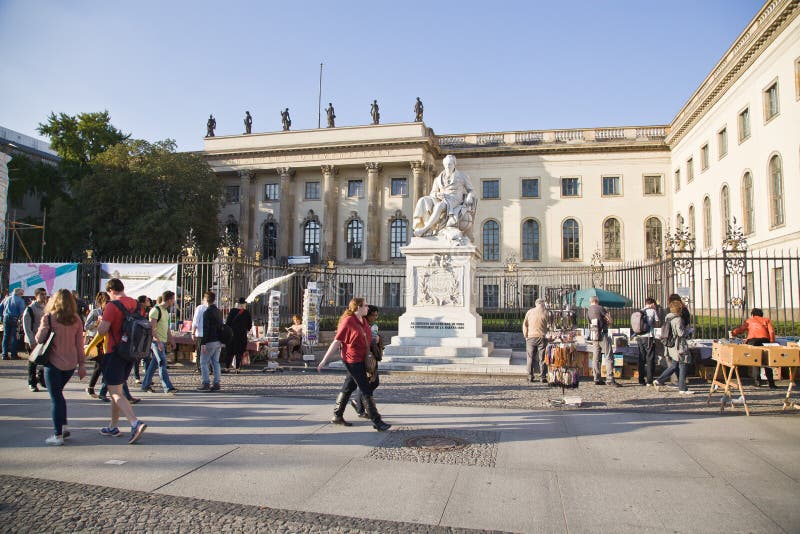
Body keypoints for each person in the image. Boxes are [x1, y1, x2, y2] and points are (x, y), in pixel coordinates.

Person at [318, 298, 390, 431]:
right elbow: (337, 342)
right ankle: (377, 421)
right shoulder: (348, 321)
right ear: (358, 307)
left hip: (362, 359)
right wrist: (324, 360)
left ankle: (337, 415)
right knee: (365, 388)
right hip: (352, 360)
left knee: (348, 387)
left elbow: (366, 338)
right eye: (365, 305)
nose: (368, 307)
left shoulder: (363, 321)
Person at [96, 278, 147, 444]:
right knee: (115, 390)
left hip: (115, 351)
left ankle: (135, 423)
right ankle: (113, 426)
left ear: (110, 291)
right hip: (131, 352)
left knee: (116, 393)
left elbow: (103, 331)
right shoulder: (136, 304)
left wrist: (100, 323)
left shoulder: (112, 306)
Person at [35, 289, 86, 445]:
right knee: (59, 395)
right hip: (70, 363)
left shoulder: (49, 318)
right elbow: (79, 344)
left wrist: (42, 327)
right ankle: (63, 426)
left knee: (55, 397)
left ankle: (58, 434)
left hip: (53, 362)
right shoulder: (76, 319)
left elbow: (39, 339)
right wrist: (82, 365)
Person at [413, 155, 478, 240]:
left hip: (454, 199)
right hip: (440, 198)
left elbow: (472, 190)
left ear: (454, 164)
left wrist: (469, 196)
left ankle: (424, 229)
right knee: (423, 200)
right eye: (446, 164)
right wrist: (437, 195)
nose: (448, 166)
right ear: (444, 165)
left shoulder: (462, 176)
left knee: (440, 206)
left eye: (450, 164)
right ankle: (423, 227)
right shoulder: (438, 179)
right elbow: (433, 192)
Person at [653, 300, 693, 394]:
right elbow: (681, 333)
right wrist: (688, 331)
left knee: (674, 365)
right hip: (679, 345)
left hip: (671, 346)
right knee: (682, 365)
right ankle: (682, 388)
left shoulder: (668, 318)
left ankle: (659, 380)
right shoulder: (678, 319)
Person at [732, 308, 778, 389]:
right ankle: (771, 383)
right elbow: (771, 332)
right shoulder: (766, 320)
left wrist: (734, 332)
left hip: (753, 341)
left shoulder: (749, 320)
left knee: (756, 361)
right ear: (761, 314)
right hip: (765, 341)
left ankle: (757, 382)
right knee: (767, 362)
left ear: (752, 314)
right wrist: (772, 342)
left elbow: (741, 329)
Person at [142, 290, 178, 394]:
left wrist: (171, 340)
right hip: (156, 342)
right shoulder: (155, 310)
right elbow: (152, 329)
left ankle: (145, 385)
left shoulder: (165, 312)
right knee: (162, 363)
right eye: (173, 299)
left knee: (154, 364)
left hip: (162, 341)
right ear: (169, 299)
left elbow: (166, 329)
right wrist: (158, 342)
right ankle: (168, 387)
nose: (174, 302)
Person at [350, 305, 382, 417]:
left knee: (373, 382)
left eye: (376, 315)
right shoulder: (363, 325)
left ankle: (359, 403)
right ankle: (360, 407)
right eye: (373, 315)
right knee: (365, 384)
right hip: (363, 357)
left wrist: (378, 338)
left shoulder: (373, 326)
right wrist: (374, 339)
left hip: (371, 357)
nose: (375, 317)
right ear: (367, 315)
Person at [588, 296, 620, 387]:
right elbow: (610, 320)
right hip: (602, 333)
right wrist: (609, 320)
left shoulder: (588, 310)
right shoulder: (600, 308)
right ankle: (610, 378)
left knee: (596, 357)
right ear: (597, 301)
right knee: (609, 355)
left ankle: (596, 378)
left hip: (594, 334)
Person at [22, 287, 48, 392]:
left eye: (45, 294)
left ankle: (41, 379)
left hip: (43, 339)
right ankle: (32, 382)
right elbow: (26, 327)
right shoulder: (30, 309)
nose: (44, 296)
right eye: (41, 294)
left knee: (45, 361)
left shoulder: (46, 307)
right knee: (33, 363)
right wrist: (32, 341)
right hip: (32, 340)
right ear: (36, 295)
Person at [197, 291, 223, 392]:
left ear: (205, 300)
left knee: (203, 362)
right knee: (216, 362)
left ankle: (206, 383)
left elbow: (206, 328)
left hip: (210, 340)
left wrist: (203, 342)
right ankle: (216, 383)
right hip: (218, 340)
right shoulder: (218, 311)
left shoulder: (207, 312)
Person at [522, 298, 549, 383]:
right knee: (542, 358)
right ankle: (542, 376)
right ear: (543, 304)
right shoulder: (546, 312)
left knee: (530, 357)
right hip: (542, 337)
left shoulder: (529, 312)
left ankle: (530, 376)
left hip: (530, 337)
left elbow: (525, 325)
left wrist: (525, 335)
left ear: (536, 304)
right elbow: (550, 325)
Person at [224, 297, 252, 372]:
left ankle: (227, 367)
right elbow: (249, 326)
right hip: (242, 335)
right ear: (244, 304)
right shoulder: (247, 313)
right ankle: (237, 368)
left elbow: (227, 323)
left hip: (232, 335)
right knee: (239, 352)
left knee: (229, 352)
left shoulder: (232, 311)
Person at [636, 297, 660, 386]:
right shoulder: (653, 311)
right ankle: (649, 380)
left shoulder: (639, 311)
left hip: (639, 336)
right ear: (652, 304)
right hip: (648, 336)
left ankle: (641, 379)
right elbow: (657, 323)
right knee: (650, 357)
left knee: (641, 358)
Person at [132, 295, 153, 384]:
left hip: (146, 336)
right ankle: (137, 377)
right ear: (142, 303)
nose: (149, 302)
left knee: (147, 357)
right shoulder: (136, 311)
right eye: (147, 300)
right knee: (136, 358)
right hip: (138, 336)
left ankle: (147, 378)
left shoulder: (150, 310)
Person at [2, 288, 27, 360]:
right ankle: (13, 355)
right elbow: (22, 312)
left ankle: (4, 354)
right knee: (14, 336)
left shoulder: (7, 298)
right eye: (22, 294)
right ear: (19, 293)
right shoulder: (20, 300)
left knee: (5, 336)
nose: (22, 295)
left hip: (6, 317)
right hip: (15, 319)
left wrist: (1, 316)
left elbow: (1, 307)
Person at [191, 294, 209, 374]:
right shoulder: (213, 308)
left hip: (201, 334)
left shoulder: (200, 308)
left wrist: (193, 333)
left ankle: (199, 367)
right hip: (209, 334)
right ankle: (208, 368)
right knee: (208, 353)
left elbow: (195, 321)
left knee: (200, 352)